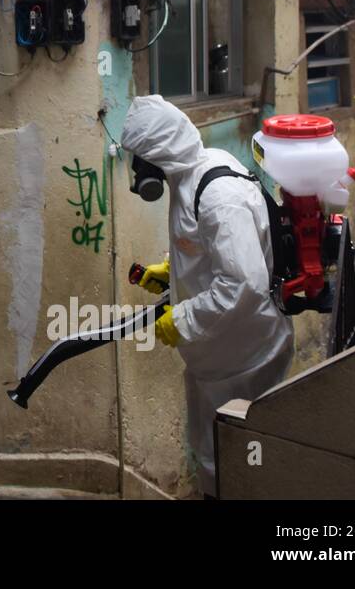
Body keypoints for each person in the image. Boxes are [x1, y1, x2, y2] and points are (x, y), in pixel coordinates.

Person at [119, 95, 294, 497]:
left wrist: (180, 320)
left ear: (159, 152)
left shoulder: (219, 198)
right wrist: (173, 272)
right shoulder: (191, 175)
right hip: (218, 361)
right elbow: (212, 251)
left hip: (247, 361)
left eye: (140, 158)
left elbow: (242, 284)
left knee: (239, 465)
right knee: (213, 458)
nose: (136, 169)